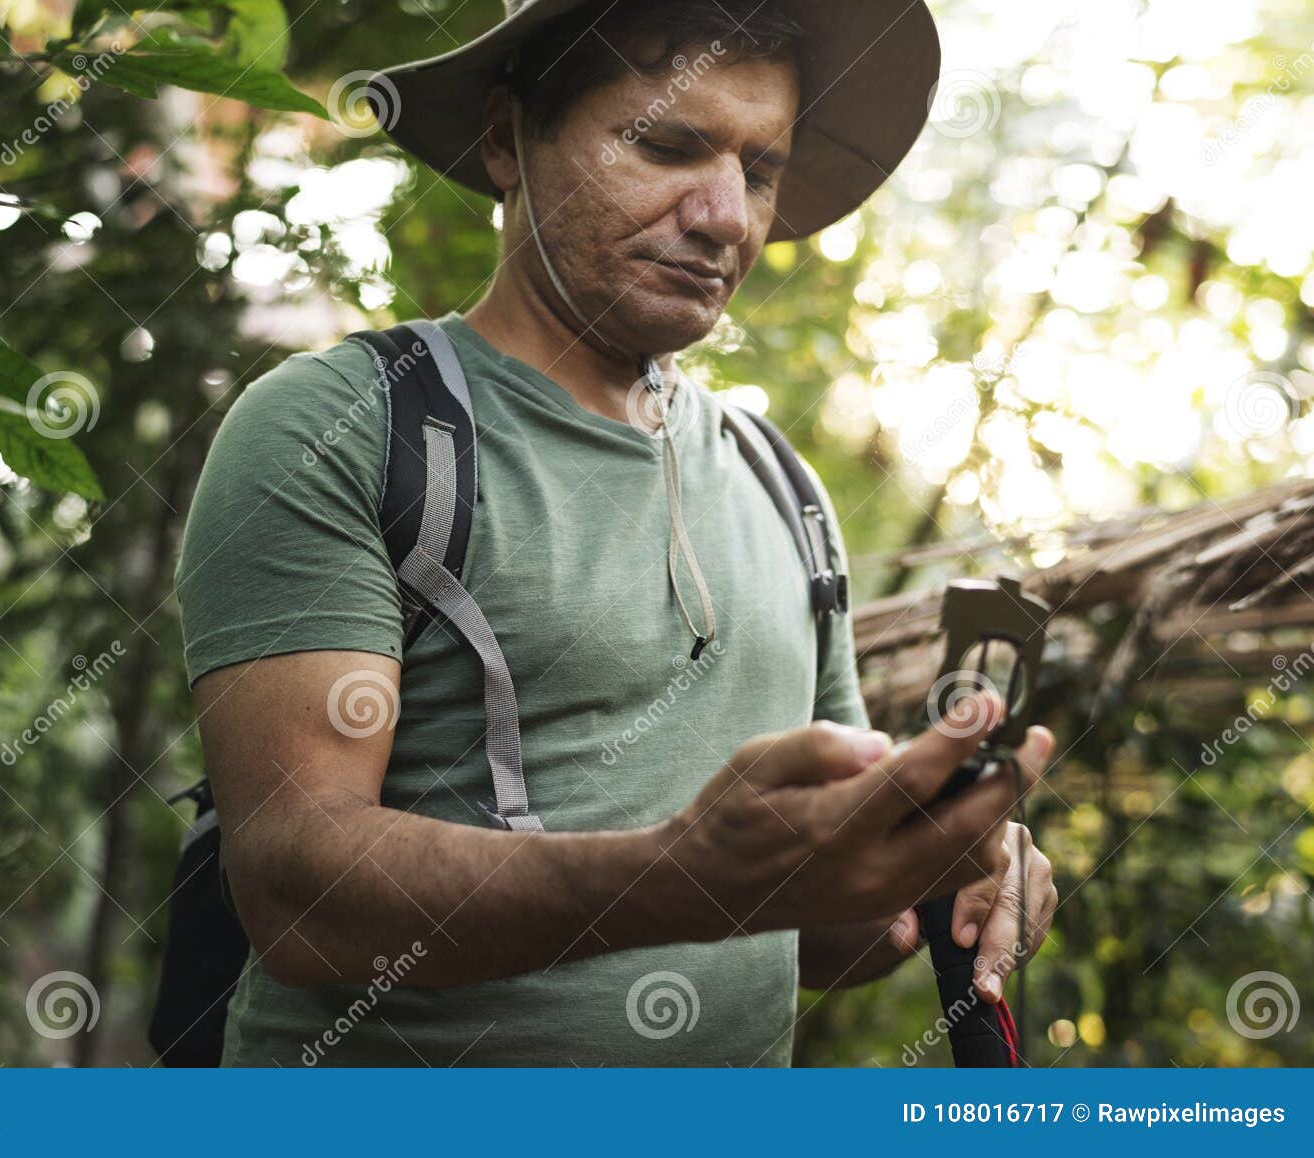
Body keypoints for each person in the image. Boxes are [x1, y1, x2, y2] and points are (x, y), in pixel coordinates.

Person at [176, 0, 1058, 1066]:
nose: (726, 215)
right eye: (667, 144)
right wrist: (680, 874)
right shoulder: (350, 426)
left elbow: (822, 928)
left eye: (761, 168)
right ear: (507, 139)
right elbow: (296, 893)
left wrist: (934, 863)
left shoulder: (782, 486)